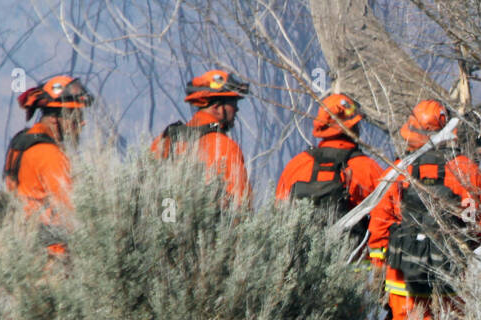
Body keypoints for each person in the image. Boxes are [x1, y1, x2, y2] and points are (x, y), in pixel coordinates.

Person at [367, 99, 481, 320]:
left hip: (403, 282)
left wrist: (378, 278)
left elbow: (379, 232)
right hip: (451, 282)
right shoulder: (467, 171)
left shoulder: (396, 173)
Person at [0, 75, 95, 255]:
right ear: (56, 119)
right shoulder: (51, 155)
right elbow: (69, 212)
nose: (82, 123)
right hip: (48, 257)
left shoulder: (22, 142)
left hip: (19, 247)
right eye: (76, 116)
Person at [275, 93, 385, 222]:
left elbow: (279, 212)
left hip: (297, 241)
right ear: (353, 128)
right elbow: (385, 217)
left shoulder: (297, 164)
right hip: (351, 241)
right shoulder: (367, 168)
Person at [152, 69, 251, 205]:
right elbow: (242, 207)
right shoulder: (225, 148)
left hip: (163, 222)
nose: (237, 109)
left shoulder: (164, 140)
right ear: (217, 107)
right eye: (233, 103)